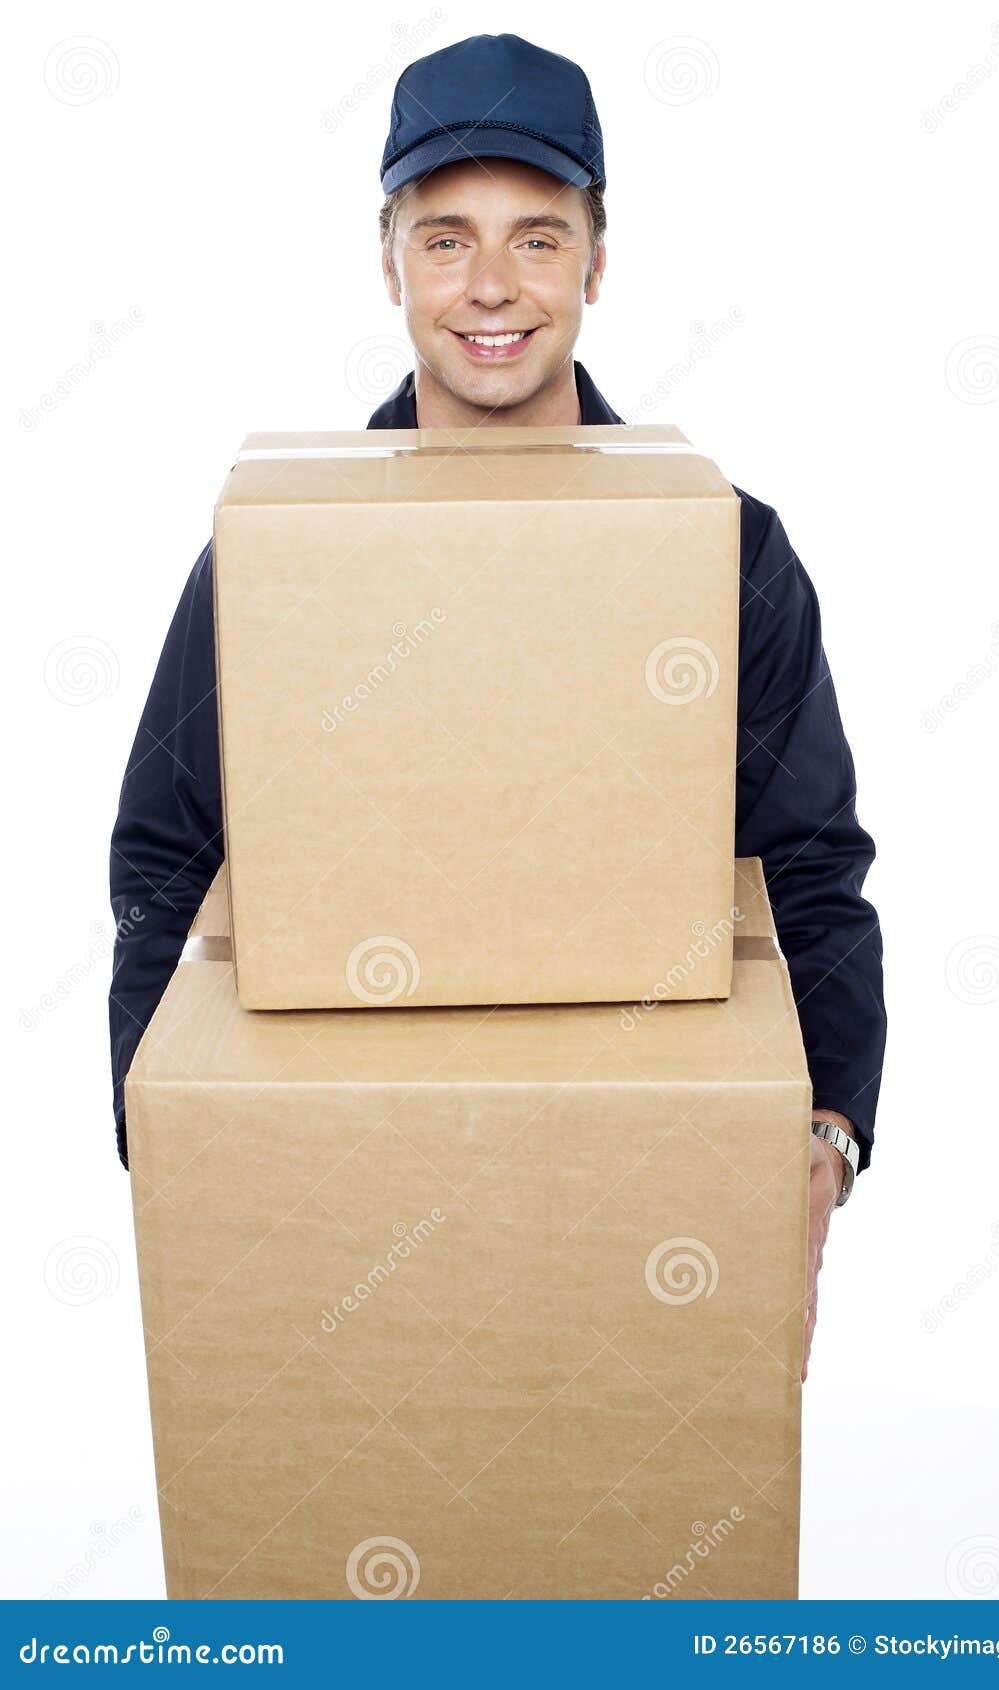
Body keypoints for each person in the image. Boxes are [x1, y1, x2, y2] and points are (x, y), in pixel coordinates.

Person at [109, 33, 886, 1376]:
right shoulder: (278, 559)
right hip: (333, 1194)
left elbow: (808, 864)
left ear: (595, 261)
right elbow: (166, 859)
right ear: (389, 259)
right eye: (445, 235)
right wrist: (171, 1143)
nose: (488, 287)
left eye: (535, 238)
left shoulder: (723, 551)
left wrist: (825, 1127)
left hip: (636, 1197)